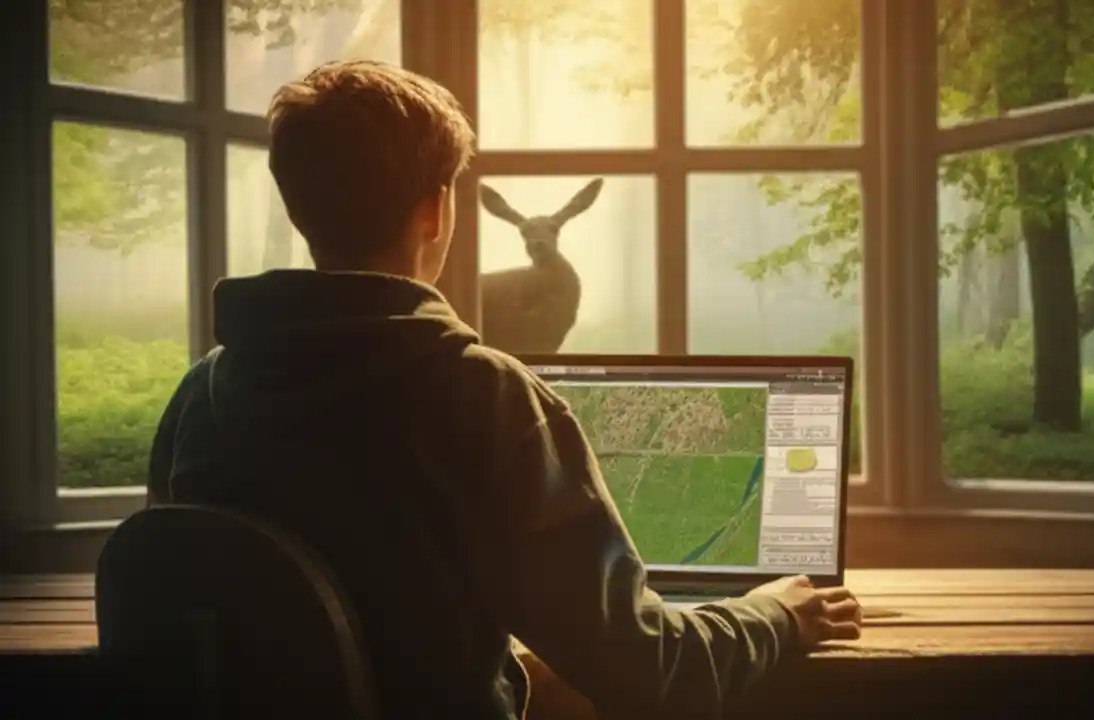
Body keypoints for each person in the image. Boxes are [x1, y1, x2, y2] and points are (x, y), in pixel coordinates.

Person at [147, 59, 861, 719]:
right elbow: (647, 668)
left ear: (297, 206)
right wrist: (774, 615)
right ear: (436, 209)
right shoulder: (484, 398)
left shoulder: (199, 398)